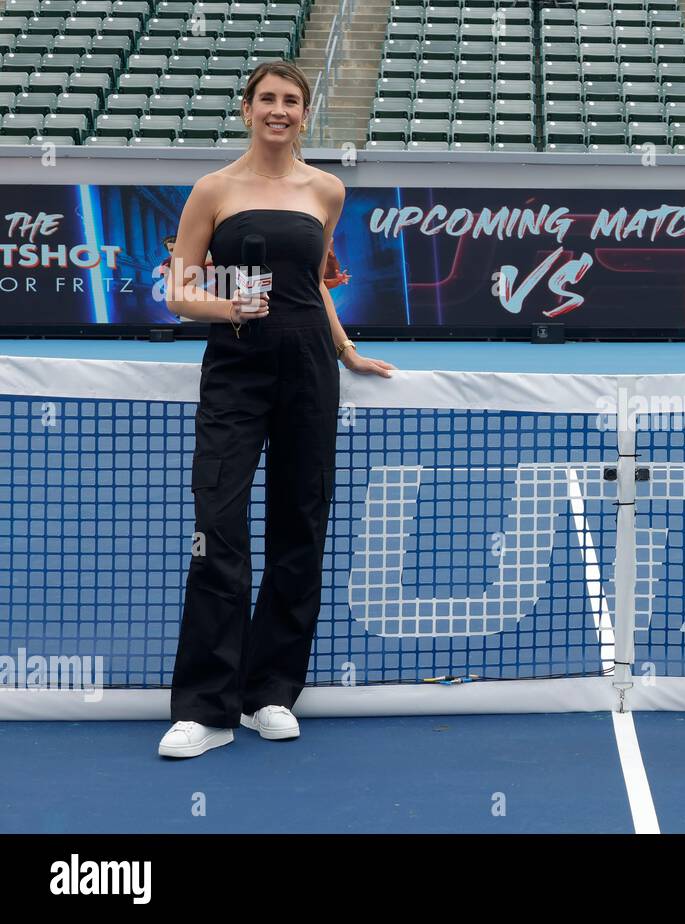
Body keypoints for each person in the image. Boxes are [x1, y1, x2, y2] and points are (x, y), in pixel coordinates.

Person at [159, 61, 396, 759]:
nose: (279, 110)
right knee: (218, 528)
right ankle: (204, 708)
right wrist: (225, 308)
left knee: (300, 527)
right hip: (234, 370)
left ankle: (269, 694)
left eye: (291, 100)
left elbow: (314, 284)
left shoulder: (326, 190)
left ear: (304, 113)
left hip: (309, 374)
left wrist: (346, 348)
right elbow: (177, 291)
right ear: (245, 109)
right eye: (267, 98)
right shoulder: (213, 190)